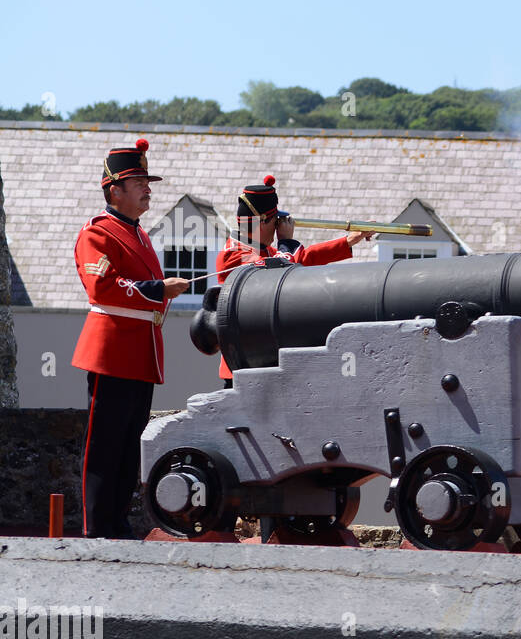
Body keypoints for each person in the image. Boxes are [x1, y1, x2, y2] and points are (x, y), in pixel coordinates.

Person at [72, 138, 190, 538]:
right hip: (112, 351)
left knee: (128, 446)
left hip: (140, 352)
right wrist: (158, 290)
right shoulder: (98, 233)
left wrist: (158, 292)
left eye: (147, 180)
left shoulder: (139, 235)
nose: (147, 187)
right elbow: (103, 288)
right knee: (104, 446)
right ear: (114, 190)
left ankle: (117, 521)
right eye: (138, 180)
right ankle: (97, 528)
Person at [213, 175, 375, 384]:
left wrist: (351, 240)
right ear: (262, 221)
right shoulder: (234, 254)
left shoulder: (262, 250)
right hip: (245, 363)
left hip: (263, 359)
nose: (278, 227)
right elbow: (272, 280)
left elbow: (304, 258)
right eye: (274, 221)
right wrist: (287, 242)